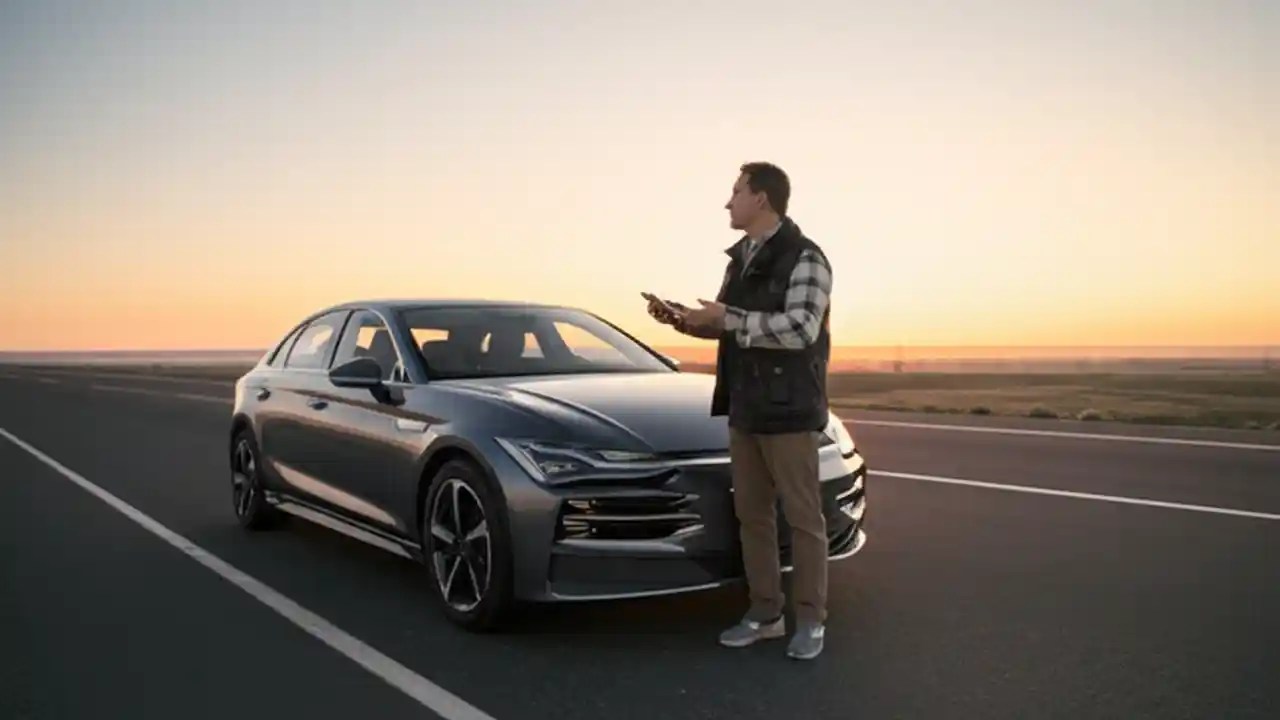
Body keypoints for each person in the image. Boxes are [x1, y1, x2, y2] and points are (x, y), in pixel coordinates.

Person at [645, 161, 834, 660]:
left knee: (804, 520)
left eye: (736, 192)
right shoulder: (741, 260)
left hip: (790, 410)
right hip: (745, 407)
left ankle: (811, 620)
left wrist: (729, 317)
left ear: (761, 199)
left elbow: (801, 329)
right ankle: (766, 614)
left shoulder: (806, 258)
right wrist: (683, 320)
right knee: (752, 517)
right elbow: (728, 325)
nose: (728, 202)